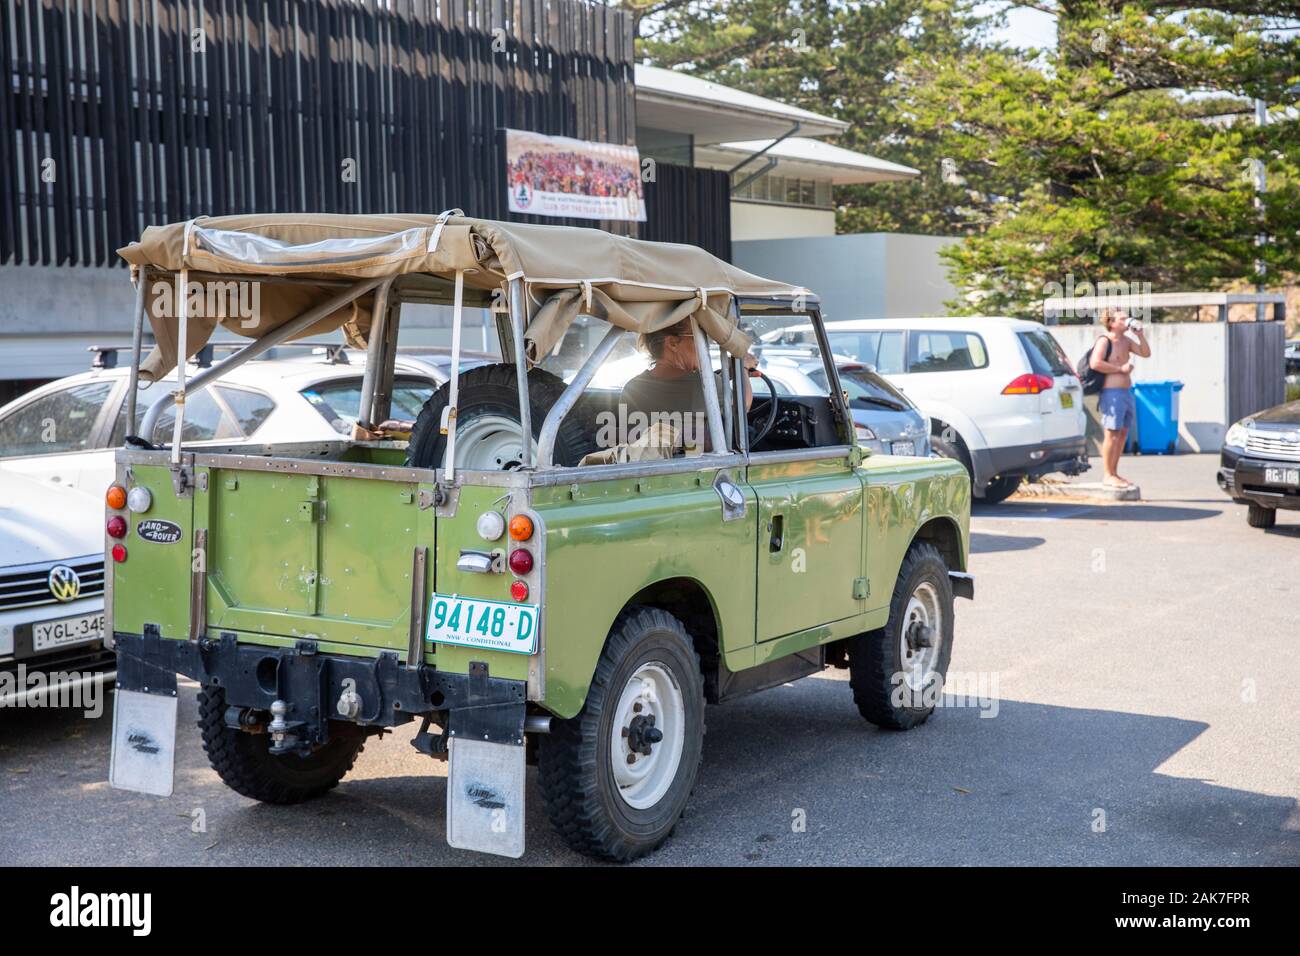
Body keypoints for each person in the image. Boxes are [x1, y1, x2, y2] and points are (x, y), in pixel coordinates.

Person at [620, 318, 757, 453]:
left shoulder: (633, 387)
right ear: (673, 343)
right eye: (697, 337)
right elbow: (742, 406)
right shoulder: (702, 382)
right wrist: (743, 367)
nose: (705, 346)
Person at [1088, 307, 1151, 488]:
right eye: (1122, 319)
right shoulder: (1105, 341)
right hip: (1111, 393)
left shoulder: (1127, 341)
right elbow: (1095, 363)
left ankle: (1115, 472)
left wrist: (1140, 335)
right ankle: (1108, 474)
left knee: (1122, 433)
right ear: (1111, 323)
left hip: (1126, 392)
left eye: (1126, 318)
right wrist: (1119, 369)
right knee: (1112, 433)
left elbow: (1145, 353)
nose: (1126, 321)